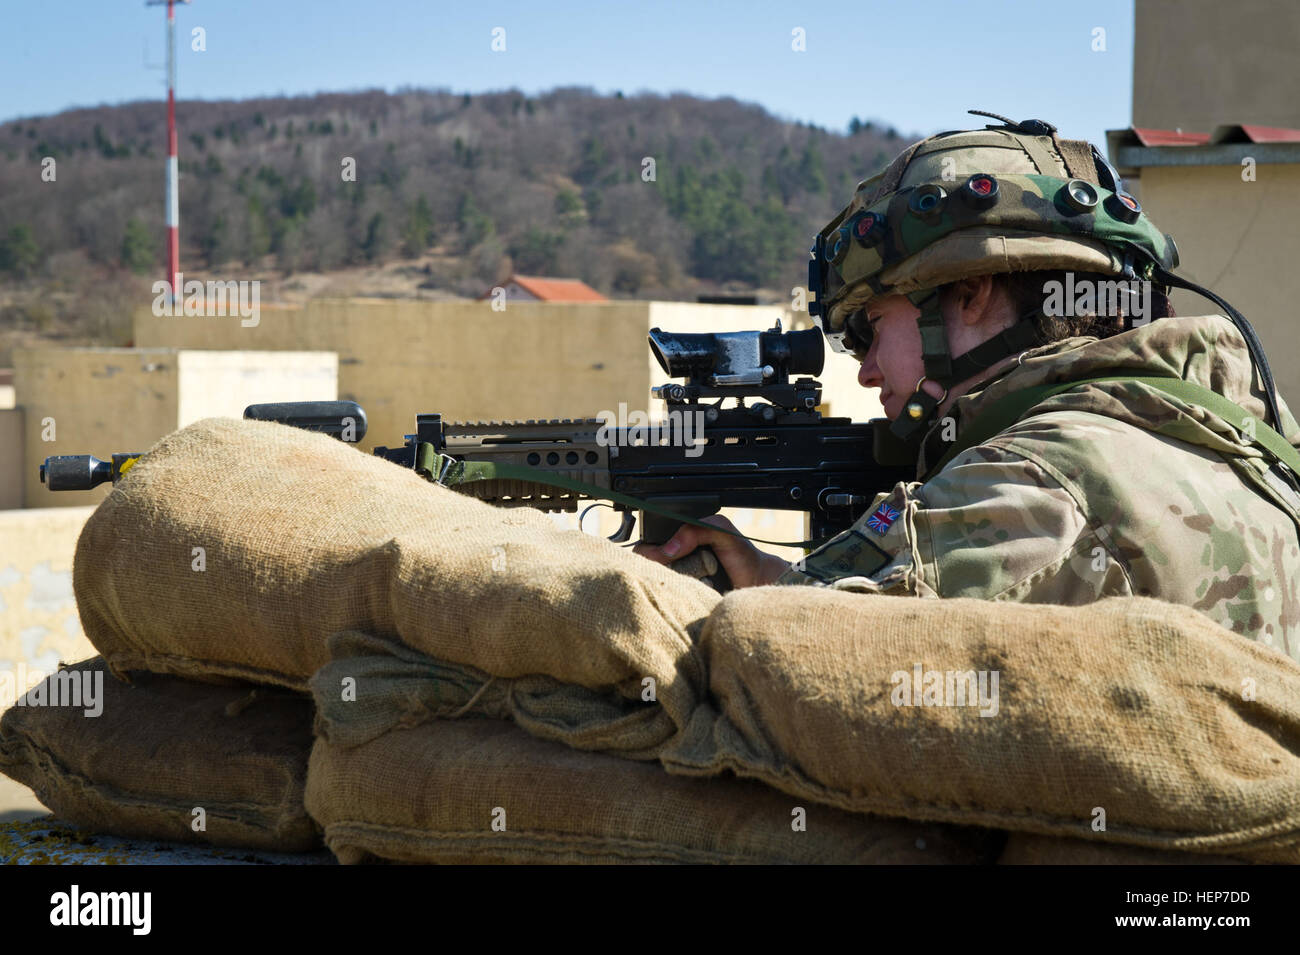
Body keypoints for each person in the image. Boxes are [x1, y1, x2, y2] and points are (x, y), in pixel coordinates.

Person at [636, 112, 1300, 662]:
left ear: (971, 293)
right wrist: (772, 579)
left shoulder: (1028, 483)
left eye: (871, 330)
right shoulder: (1244, 446)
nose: (866, 371)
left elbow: (792, 670)